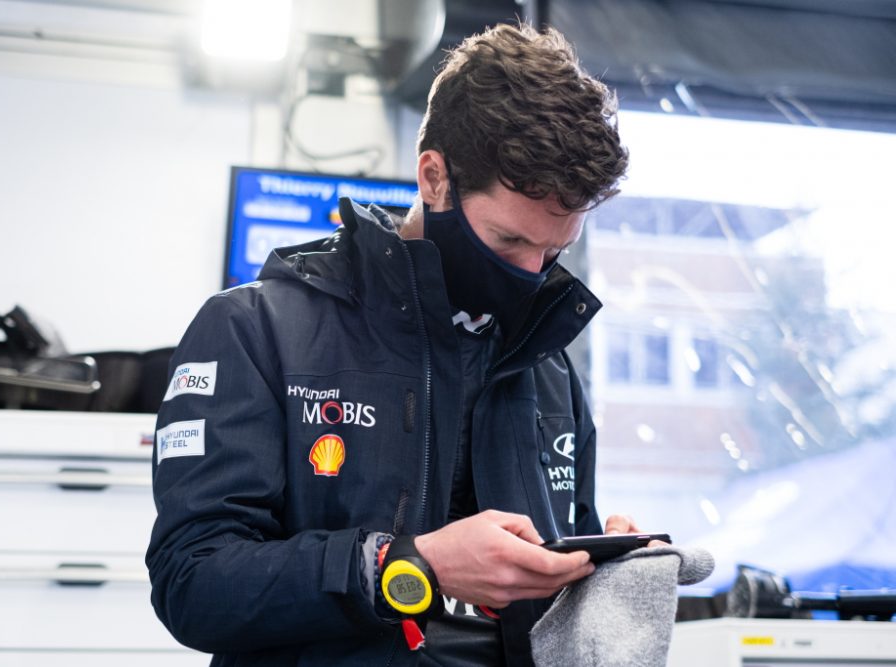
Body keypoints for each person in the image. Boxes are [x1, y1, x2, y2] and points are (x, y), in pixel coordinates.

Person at [147, 21, 648, 667]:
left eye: (554, 249)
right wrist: (409, 565)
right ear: (434, 177)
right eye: (508, 243)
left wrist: (602, 567)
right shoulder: (255, 329)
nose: (531, 273)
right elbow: (194, 583)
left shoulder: (547, 367)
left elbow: (549, 591)